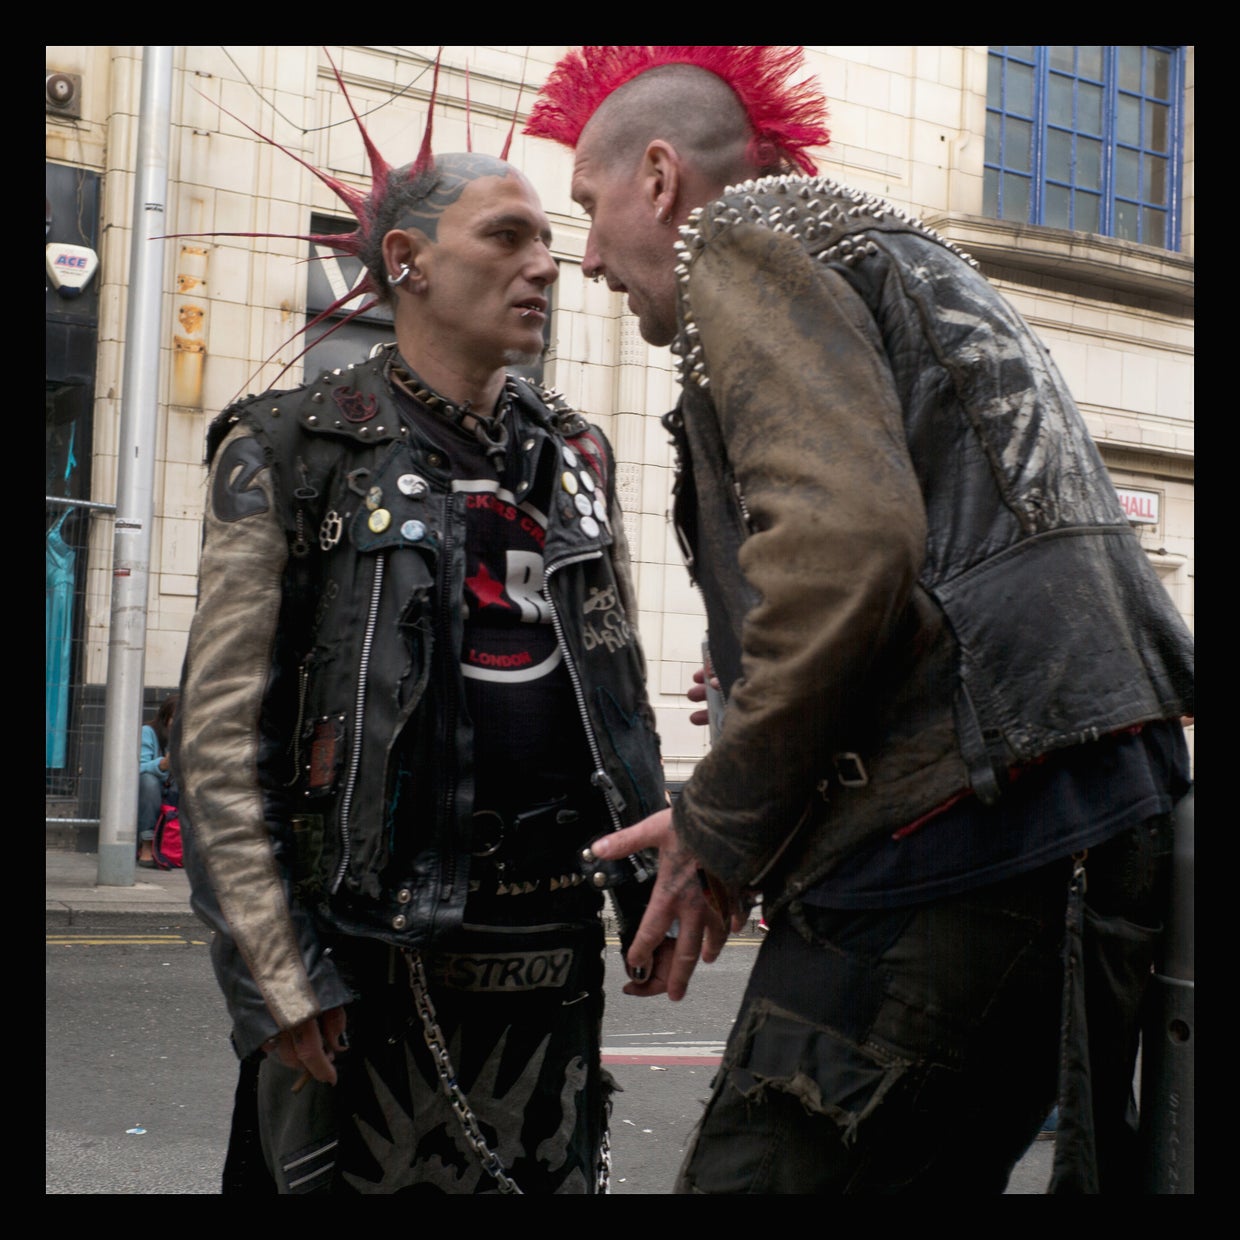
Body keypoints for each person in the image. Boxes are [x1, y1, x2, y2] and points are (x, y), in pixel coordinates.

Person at [525, 45, 1195, 1194]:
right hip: (1083, 820)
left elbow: (846, 551)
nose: (585, 257)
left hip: (960, 840)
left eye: (588, 210)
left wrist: (720, 821)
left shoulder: (744, 239)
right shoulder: (903, 251)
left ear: (659, 178)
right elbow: (929, 554)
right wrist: (761, 681)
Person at [170, 114, 667, 1191]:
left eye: (547, 239)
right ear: (407, 262)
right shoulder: (287, 450)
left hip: (550, 952)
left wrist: (649, 881)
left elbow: (615, 686)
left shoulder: (577, 455)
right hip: (369, 959)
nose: (545, 263)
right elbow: (216, 743)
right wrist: (278, 973)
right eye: (506, 236)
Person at [137, 693, 177, 867]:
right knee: (148, 782)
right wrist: (162, 765)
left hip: (176, 788)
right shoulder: (148, 733)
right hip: (151, 790)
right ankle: (147, 844)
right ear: (165, 717)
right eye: (176, 718)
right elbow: (138, 767)